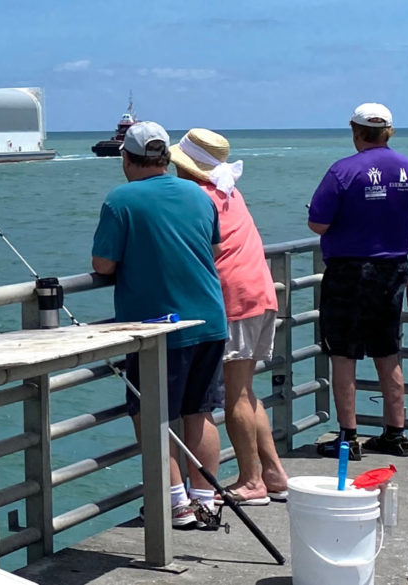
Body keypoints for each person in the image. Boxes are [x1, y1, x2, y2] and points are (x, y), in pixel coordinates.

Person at [91, 121, 228, 527]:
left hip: (158, 329)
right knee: (200, 412)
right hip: (210, 317)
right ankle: (207, 500)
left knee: (151, 416)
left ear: (126, 159)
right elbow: (217, 248)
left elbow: (103, 265)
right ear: (167, 158)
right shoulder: (198, 194)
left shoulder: (120, 201)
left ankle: (174, 504)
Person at [308, 103, 408, 459]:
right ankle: (396, 433)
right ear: (388, 132)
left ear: (355, 130)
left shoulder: (342, 171)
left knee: (344, 354)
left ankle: (348, 437)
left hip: (348, 270)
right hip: (394, 269)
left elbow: (317, 224)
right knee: (388, 350)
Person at [169, 129, 289, 505]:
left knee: (235, 395)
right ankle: (273, 473)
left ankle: (251, 481)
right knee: (246, 391)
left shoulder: (198, 197)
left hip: (233, 298)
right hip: (260, 292)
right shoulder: (228, 191)